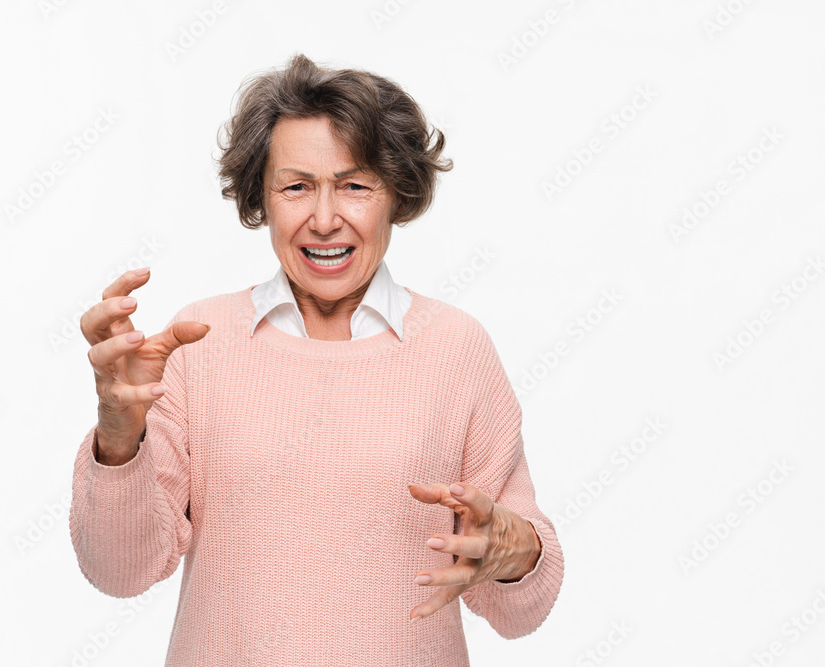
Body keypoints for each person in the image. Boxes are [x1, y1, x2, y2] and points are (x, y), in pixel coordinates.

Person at [69, 53, 564, 666]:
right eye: (296, 186)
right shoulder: (199, 342)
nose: (325, 220)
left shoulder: (456, 349)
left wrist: (517, 552)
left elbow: (523, 610)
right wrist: (120, 439)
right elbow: (121, 573)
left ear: (396, 195)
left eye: (355, 186)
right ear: (262, 197)